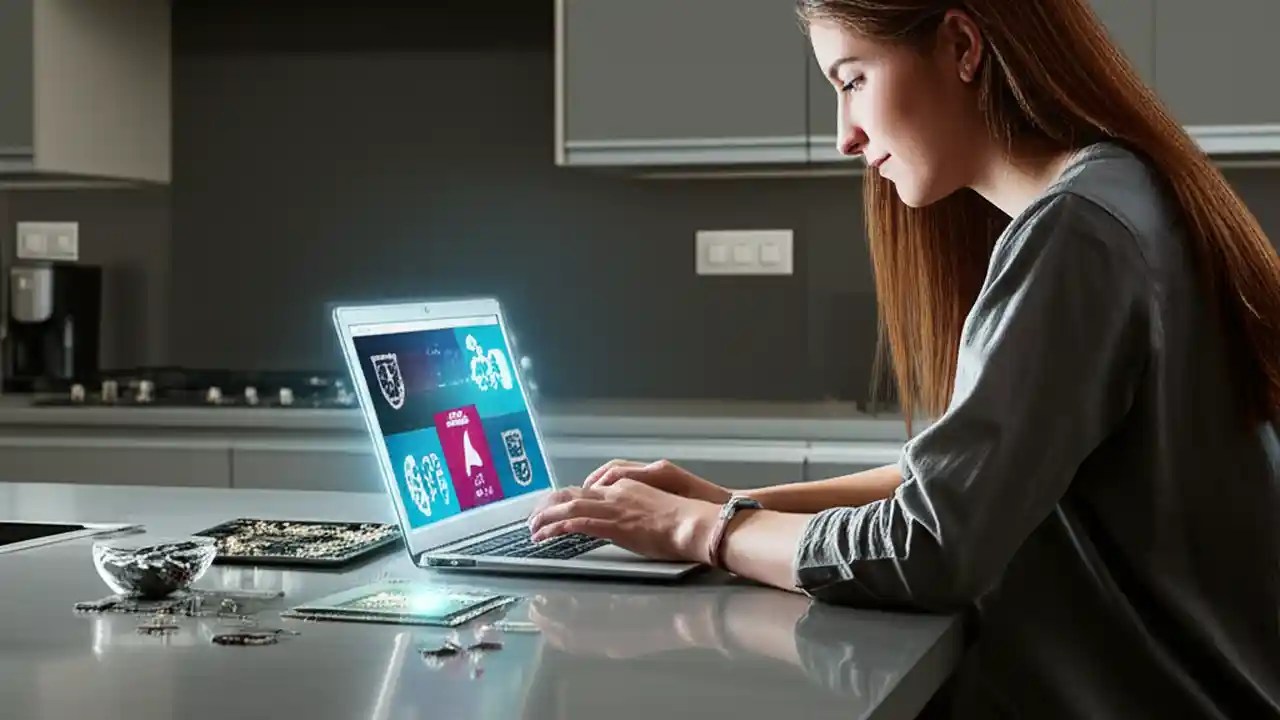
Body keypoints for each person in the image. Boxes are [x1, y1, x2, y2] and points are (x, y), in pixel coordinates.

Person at [529, 0, 1280, 717]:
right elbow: (958, 486)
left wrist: (697, 531)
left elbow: (932, 545)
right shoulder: (1120, 194)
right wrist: (728, 501)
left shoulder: (1075, 233)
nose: (844, 136)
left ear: (960, 46)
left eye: (853, 80)